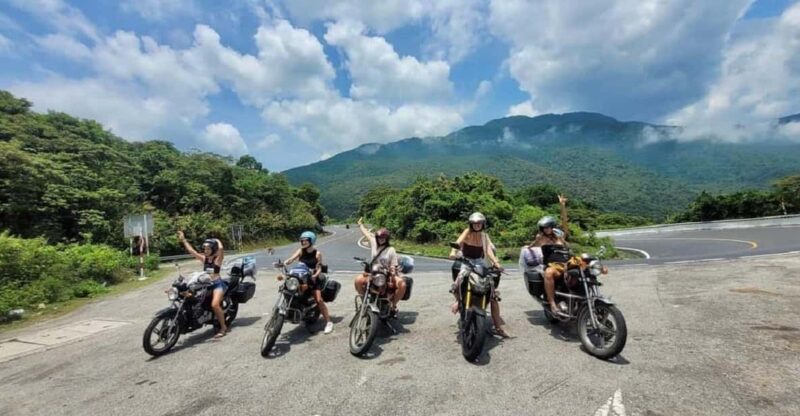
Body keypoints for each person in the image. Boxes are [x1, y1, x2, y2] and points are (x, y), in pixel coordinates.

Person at [448, 212, 510, 338]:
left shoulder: (484, 235)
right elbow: (458, 242)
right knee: (459, 280)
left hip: (480, 262)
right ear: (471, 224)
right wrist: (453, 252)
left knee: (492, 291)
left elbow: (488, 250)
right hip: (467, 260)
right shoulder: (467, 232)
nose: (477, 225)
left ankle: (498, 327)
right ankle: (458, 300)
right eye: (474, 224)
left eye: (479, 223)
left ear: (483, 224)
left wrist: (497, 263)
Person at [529, 195, 579, 317]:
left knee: (586, 269)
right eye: (544, 228)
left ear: (552, 227)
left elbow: (565, 222)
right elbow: (533, 245)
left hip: (568, 265)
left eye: (548, 227)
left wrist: (562, 206)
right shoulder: (541, 239)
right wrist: (529, 247)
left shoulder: (560, 237)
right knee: (549, 273)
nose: (546, 230)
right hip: (554, 266)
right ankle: (552, 304)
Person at [176, 230, 228, 338]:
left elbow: (221, 249)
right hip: (205, 284)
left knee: (215, 305)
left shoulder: (217, 260)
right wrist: (183, 239)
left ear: (213, 249)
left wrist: (217, 240)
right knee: (189, 295)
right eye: (205, 248)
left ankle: (223, 327)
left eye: (208, 248)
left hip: (217, 284)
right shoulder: (204, 259)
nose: (205, 250)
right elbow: (192, 251)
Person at [283, 231, 334, 334]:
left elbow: (319, 268)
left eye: (305, 240)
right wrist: (285, 262)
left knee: (319, 300)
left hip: (312, 278)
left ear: (311, 241)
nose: (303, 242)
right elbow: (291, 259)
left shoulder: (317, 253)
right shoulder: (301, 251)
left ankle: (328, 322)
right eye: (302, 240)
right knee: (288, 288)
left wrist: (315, 276)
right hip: (301, 276)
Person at [355, 217, 406, 315]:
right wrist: (360, 224)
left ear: (386, 239)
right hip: (373, 272)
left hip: (386, 274)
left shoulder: (391, 249)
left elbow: (393, 265)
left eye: (383, 238)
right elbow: (365, 232)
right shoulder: (373, 242)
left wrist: (392, 274)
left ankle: (392, 304)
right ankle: (364, 301)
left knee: (402, 285)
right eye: (379, 238)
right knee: (358, 280)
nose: (381, 240)